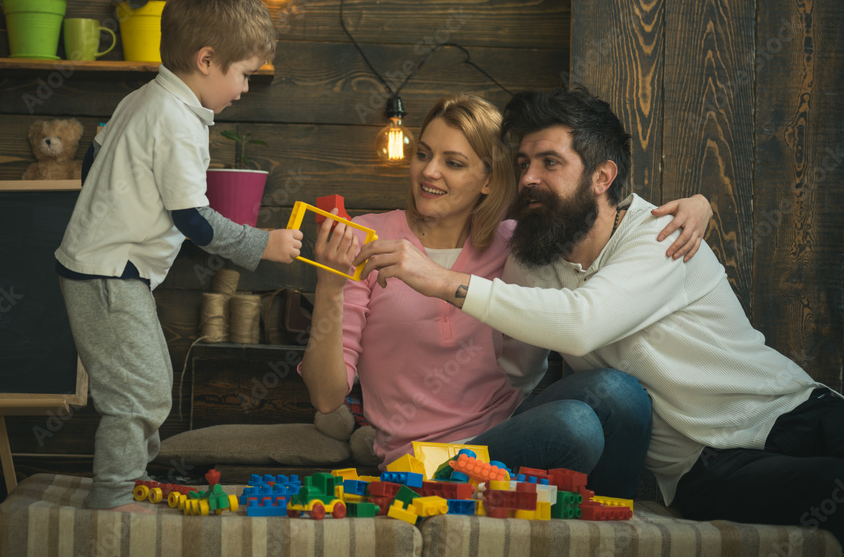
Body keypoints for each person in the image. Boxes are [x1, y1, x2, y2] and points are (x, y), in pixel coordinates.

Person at [356, 86, 843, 541]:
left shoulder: (662, 234)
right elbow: (520, 369)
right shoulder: (527, 258)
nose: (528, 178)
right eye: (523, 163)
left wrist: (441, 283)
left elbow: (579, 323)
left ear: (602, 176)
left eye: (549, 162)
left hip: (794, 411)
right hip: (709, 468)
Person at [301, 93, 713, 498]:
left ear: (489, 180)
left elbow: (598, 229)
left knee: (622, 392)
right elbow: (326, 396)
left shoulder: (519, 244)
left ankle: (619, 519)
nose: (429, 172)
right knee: (577, 428)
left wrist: (699, 205)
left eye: (453, 163)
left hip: (510, 436)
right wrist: (330, 286)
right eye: (423, 154)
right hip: (423, 462)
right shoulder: (366, 238)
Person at [55, 0, 303, 512]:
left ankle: (129, 484)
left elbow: (94, 159)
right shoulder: (178, 122)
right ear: (208, 59)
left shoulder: (142, 99)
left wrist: (115, 202)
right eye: (243, 74)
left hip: (107, 268)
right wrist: (263, 244)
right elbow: (195, 220)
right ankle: (115, 499)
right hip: (107, 272)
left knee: (149, 385)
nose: (243, 88)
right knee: (140, 393)